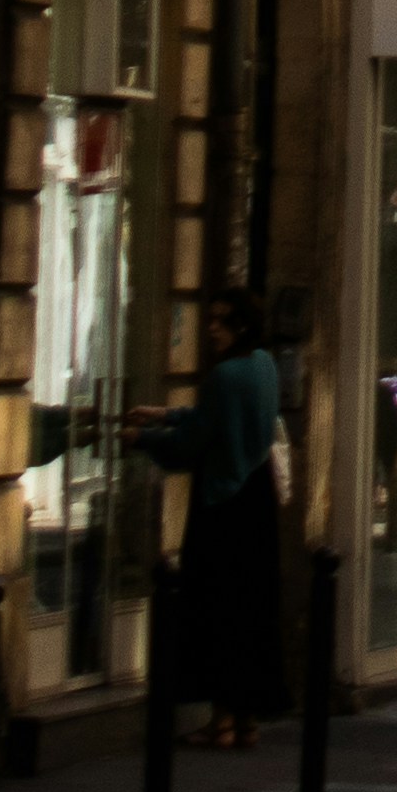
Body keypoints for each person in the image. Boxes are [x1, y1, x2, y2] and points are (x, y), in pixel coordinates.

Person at [130, 290, 287, 745]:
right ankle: (248, 720)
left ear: (241, 326)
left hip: (222, 501)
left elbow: (195, 440)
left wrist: (143, 438)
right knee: (252, 611)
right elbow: (218, 417)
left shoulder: (222, 375)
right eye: (212, 319)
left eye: (222, 321)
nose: (211, 328)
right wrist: (167, 413)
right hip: (257, 501)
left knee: (217, 610)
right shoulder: (264, 366)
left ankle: (220, 721)